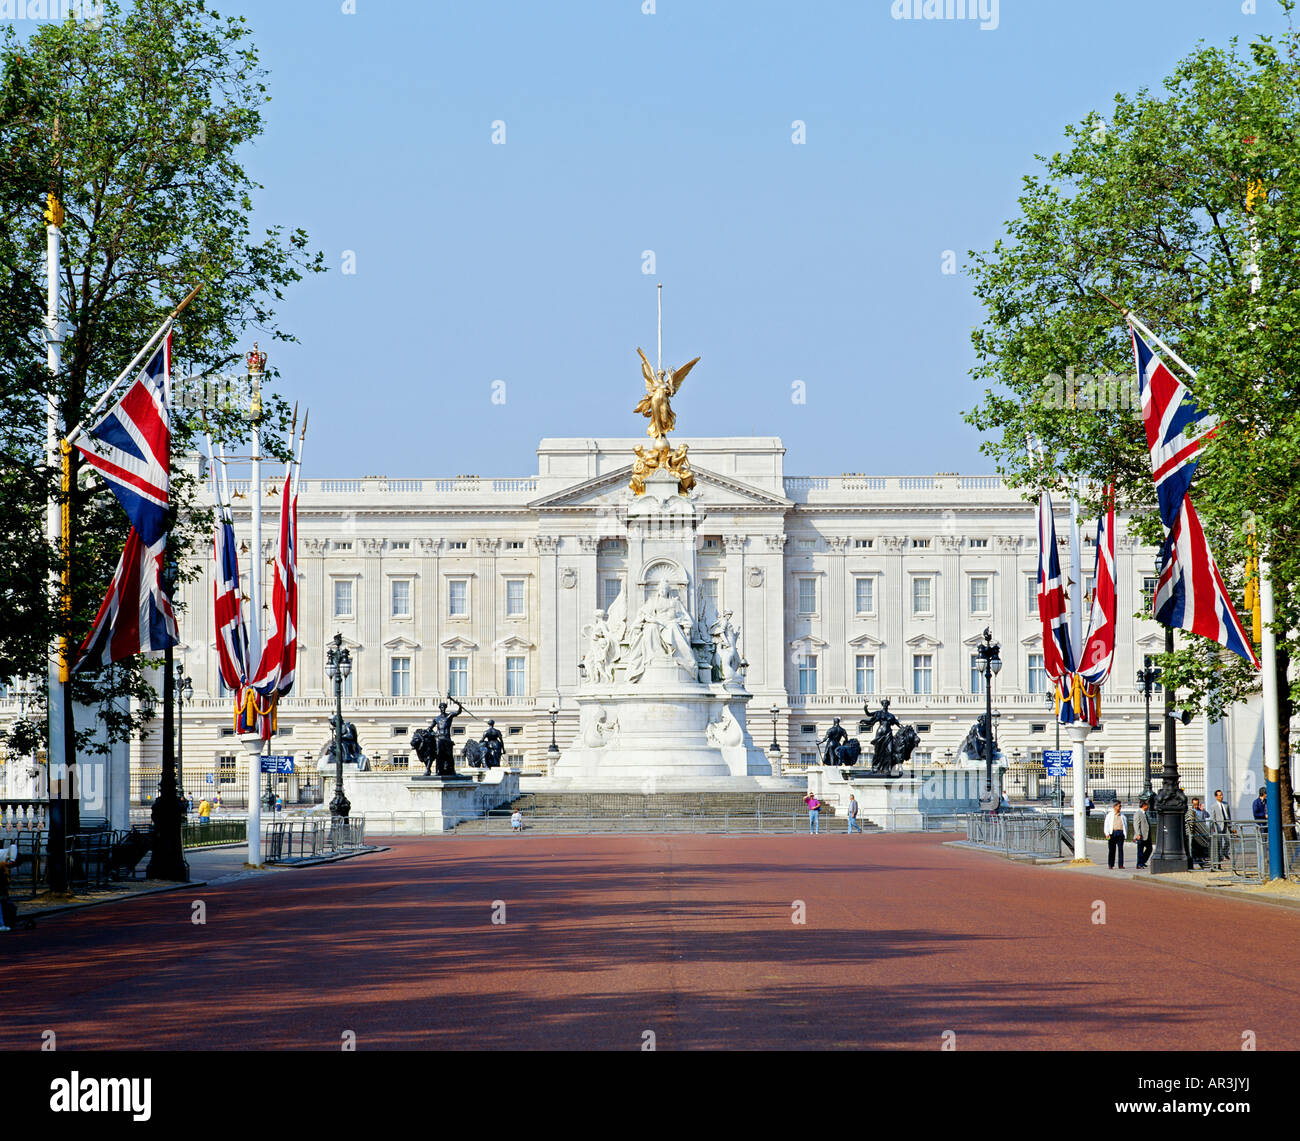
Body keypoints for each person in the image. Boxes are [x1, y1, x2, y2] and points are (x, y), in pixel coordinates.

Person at [1102, 800, 1127, 869]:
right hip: (1112, 833)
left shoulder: (1123, 816)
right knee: (1112, 850)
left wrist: (1125, 834)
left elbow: (1125, 825)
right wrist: (1106, 833)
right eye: (1119, 806)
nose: (1120, 807)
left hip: (1120, 833)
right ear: (1115, 807)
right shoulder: (1110, 815)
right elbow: (1106, 824)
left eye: (1120, 806)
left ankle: (1121, 865)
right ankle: (1111, 864)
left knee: (1121, 850)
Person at [1210, 789, 1231, 868]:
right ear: (1216, 797)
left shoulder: (1226, 804)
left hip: (1226, 826)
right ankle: (1218, 863)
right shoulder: (1213, 806)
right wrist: (1214, 827)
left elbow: (1229, 815)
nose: (1221, 796)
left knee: (1228, 840)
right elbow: (1213, 818)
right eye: (1220, 795)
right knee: (1218, 844)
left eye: (1222, 795)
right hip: (1218, 827)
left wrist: (1230, 825)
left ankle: (1225, 852)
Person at [1133, 798, 1152, 869]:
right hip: (1141, 835)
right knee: (1140, 851)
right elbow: (1136, 824)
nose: (1148, 807)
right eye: (1147, 805)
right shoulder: (1138, 813)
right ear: (1144, 805)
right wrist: (1138, 834)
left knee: (1149, 848)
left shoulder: (1145, 813)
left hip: (1146, 835)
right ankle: (1139, 864)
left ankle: (1143, 861)